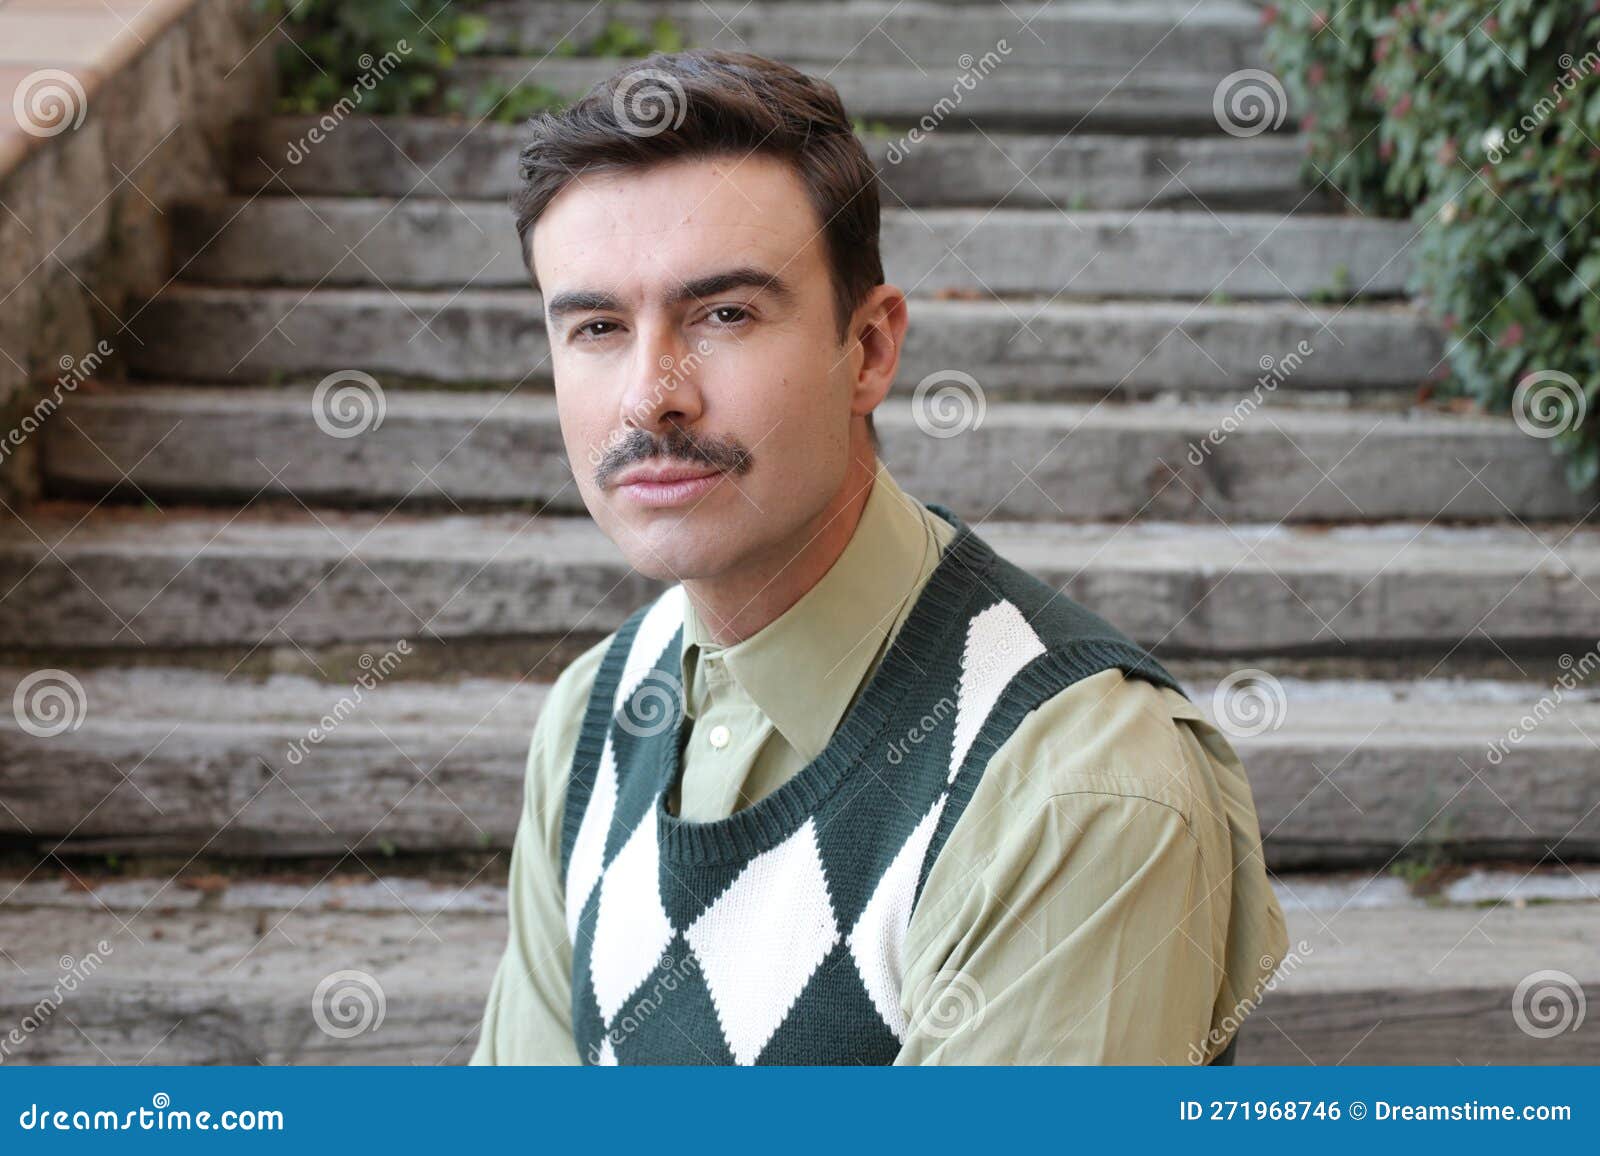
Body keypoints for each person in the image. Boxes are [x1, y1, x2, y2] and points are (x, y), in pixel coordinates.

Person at [470, 49, 1286, 1066]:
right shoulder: (592, 717)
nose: (650, 396)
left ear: (869, 350)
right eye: (595, 326)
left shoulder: (1075, 785)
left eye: (724, 314)